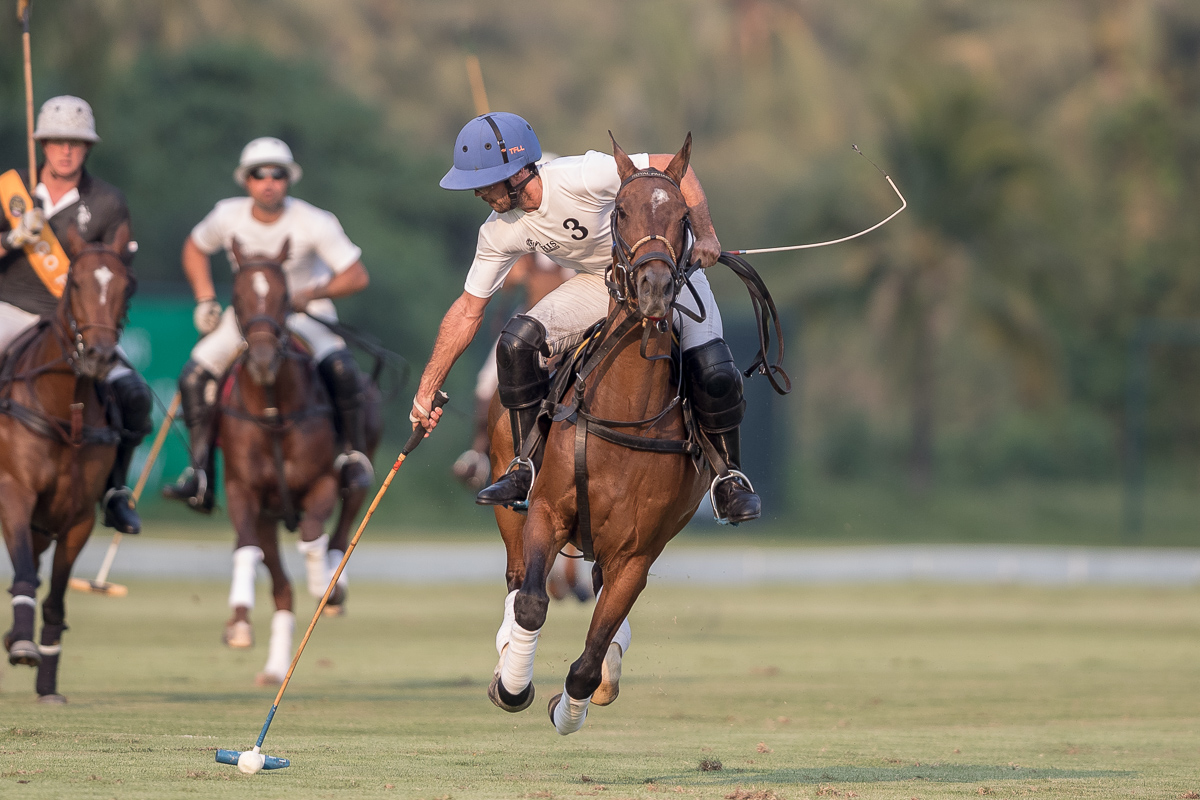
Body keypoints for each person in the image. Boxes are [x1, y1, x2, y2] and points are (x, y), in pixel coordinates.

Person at [411, 113, 760, 524]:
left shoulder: (580, 174)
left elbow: (670, 162)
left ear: (517, 172)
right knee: (517, 342)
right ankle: (524, 466)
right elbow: (468, 310)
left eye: (484, 182)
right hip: (602, 282)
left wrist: (705, 234)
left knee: (714, 369)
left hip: (666, 276)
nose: (477, 194)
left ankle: (729, 478)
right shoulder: (497, 232)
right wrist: (427, 388)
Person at [162, 137, 373, 511]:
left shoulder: (314, 221)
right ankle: (200, 473)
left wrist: (313, 292)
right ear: (246, 180)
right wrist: (205, 297)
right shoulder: (227, 215)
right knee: (194, 376)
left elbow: (356, 276)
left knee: (341, 369)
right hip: (246, 319)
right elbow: (194, 247)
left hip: (303, 314)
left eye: (278, 174)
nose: (269, 181)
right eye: (259, 174)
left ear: (289, 179)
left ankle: (350, 457)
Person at [0, 95, 152, 535]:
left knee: (134, 395)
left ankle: (115, 491)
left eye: (76, 143)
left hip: (78, 325)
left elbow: (117, 270)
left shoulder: (107, 202)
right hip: (13, 310)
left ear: (88, 149)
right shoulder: (13, 194)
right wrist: (14, 238)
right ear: (43, 145)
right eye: (57, 142)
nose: (66, 151)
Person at [452, 249, 572, 491]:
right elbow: (508, 283)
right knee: (485, 386)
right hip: (526, 324)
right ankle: (478, 453)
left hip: (563, 328)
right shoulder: (529, 251)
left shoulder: (570, 258)